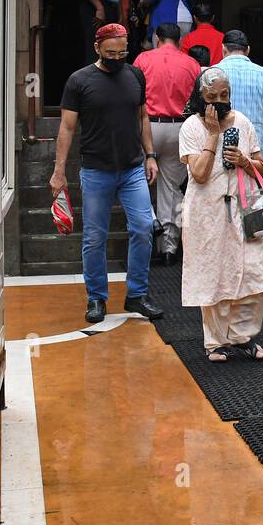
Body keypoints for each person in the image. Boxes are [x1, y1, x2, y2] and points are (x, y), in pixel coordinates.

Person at [51, 23, 164, 324]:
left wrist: (150, 156)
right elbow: (67, 128)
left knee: (143, 227)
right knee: (94, 237)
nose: (117, 58)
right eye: (111, 53)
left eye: (123, 52)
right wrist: (58, 171)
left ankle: (137, 295)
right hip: (95, 169)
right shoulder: (79, 81)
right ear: (98, 48)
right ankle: (96, 297)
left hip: (131, 168)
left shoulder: (135, 75)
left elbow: (142, 116)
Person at [179, 68, 263, 362]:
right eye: (211, 97)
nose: (219, 101)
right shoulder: (191, 127)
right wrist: (213, 136)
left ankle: (242, 336)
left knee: (254, 272)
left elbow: (261, 166)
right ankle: (216, 341)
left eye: (224, 95)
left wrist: (245, 161)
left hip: (245, 209)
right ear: (200, 98)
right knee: (214, 273)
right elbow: (200, 173)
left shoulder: (242, 122)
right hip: (207, 211)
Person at [135, 22, 202, 264]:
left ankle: (150, 224)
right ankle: (168, 248)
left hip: (149, 125)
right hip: (180, 128)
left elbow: (133, 93)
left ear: (157, 38)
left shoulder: (143, 59)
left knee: (138, 181)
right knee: (171, 189)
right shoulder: (192, 63)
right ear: (180, 41)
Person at [216, 29, 263, 171]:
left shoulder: (213, 72)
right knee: (260, 193)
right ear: (247, 50)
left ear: (223, 49)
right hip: (258, 158)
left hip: (222, 153)